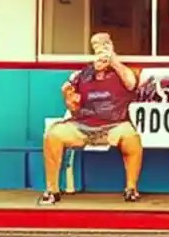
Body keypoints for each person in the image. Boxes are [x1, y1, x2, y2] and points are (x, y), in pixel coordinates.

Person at [41, 32, 142, 205]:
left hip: (114, 125)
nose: (100, 52)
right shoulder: (82, 74)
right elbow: (72, 105)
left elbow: (132, 84)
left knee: (131, 138)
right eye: (96, 47)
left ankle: (131, 188)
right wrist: (69, 98)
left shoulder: (123, 72)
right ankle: (52, 190)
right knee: (53, 135)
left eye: (103, 46)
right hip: (83, 126)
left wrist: (113, 61)